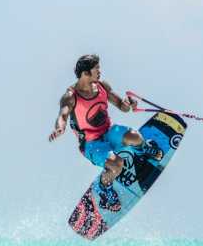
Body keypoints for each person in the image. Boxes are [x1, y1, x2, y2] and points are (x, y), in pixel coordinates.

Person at [48, 54, 162, 211]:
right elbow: (63, 115)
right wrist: (59, 128)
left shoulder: (102, 86)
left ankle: (142, 150)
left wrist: (129, 103)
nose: (100, 71)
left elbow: (123, 106)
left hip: (109, 131)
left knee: (135, 137)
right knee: (117, 164)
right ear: (85, 73)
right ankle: (105, 189)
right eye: (97, 69)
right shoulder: (70, 97)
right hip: (91, 144)